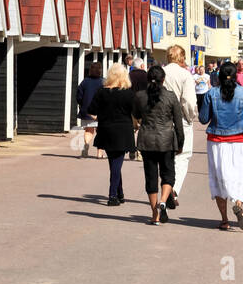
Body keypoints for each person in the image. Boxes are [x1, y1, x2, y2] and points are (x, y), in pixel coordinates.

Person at [199, 61, 243, 231]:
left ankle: (224, 220)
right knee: (240, 175)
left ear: (218, 76)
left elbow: (203, 119)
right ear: (236, 76)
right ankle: (239, 204)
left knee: (219, 178)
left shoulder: (211, 93)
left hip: (217, 142)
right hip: (240, 141)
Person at [132, 66, 183, 225]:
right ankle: (163, 200)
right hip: (166, 140)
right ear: (163, 79)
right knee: (168, 174)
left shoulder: (140, 96)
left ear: (148, 79)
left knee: (151, 177)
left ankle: (155, 214)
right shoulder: (170, 96)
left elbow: (136, 114)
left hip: (147, 140)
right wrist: (180, 142)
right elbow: (178, 123)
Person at [90, 64, 135, 206]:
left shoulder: (101, 92)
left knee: (114, 163)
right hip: (123, 131)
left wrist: (100, 118)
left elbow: (91, 109)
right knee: (116, 163)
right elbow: (135, 112)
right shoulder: (128, 93)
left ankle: (120, 193)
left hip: (106, 129)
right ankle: (112, 195)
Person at [161, 45, 199, 210]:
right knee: (182, 155)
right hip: (180, 119)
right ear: (182, 57)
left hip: (160, 118)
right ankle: (173, 188)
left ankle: (165, 187)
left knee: (165, 156)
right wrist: (191, 117)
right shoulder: (185, 75)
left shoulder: (160, 72)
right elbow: (188, 101)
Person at [76, 62, 104, 158]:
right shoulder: (103, 82)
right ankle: (99, 153)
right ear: (100, 71)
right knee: (101, 132)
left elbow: (78, 96)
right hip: (100, 111)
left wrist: (82, 105)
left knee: (88, 130)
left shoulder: (85, 82)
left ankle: (86, 144)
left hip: (87, 111)